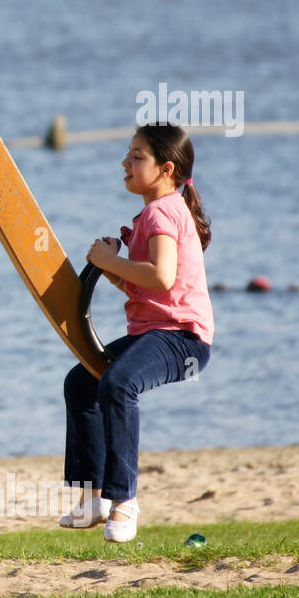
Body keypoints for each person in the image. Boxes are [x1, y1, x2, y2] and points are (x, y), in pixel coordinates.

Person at [61, 123, 213, 542]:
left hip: (181, 338)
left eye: (137, 156)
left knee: (118, 384)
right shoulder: (156, 210)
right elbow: (142, 284)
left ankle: (124, 502)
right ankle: (91, 495)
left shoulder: (163, 211)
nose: (125, 163)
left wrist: (109, 261)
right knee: (81, 382)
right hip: (154, 333)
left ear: (166, 169)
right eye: (128, 154)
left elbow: (162, 277)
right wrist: (112, 267)